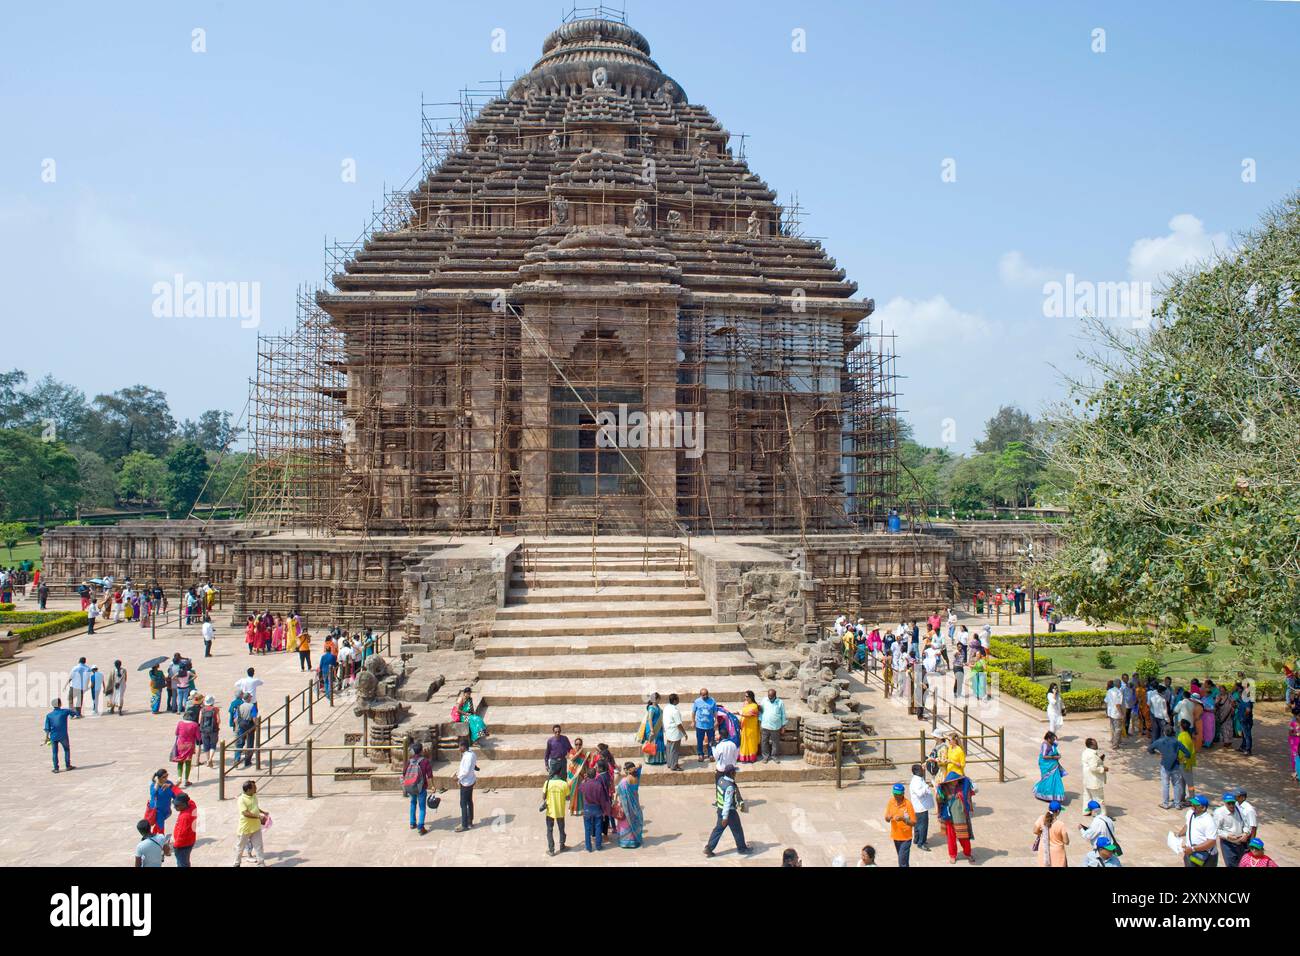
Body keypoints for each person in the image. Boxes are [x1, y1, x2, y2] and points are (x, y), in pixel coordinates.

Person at [704, 767, 749, 857]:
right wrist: (725, 817)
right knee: (737, 830)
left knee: (718, 829)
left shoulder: (721, 780)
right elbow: (727, 802)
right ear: (731, 773)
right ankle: (742, 848)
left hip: (719, 809)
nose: (736, 774)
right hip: (729, 812)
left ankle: (709, 848)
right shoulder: (729, 786)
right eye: (734, 772)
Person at [936, 771, 976, 863]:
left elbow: (968, 782)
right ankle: (952, 855)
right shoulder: (944, 789)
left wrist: (964, 778)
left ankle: (968, 853)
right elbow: (940, 801)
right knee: (951, 838)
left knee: (964, 837)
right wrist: (938, 793)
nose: (955, 782)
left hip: (960, 817)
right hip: (949, 818)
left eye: (957, 780)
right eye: (953, 780)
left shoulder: (962, 788)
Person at [1176, 795, 1218, 867]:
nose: (1192, 806)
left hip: (1207, 856)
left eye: (1195, 805)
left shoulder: (1209, 821)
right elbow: (1187, 826)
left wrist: (1193, 849)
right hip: (1191, 853)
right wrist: (1178, 834)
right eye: (1192, 804)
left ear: (1203, 808)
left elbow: (1211, 841)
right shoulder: (1190, 813)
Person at [402, 741, 433, 835]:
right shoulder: (425, 761)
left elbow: (404, 773)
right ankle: (420, 826)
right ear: (421, 751)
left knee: (413, 803)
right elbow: (430, 775)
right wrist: (433, 786)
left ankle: (412, 823)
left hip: (411, 786)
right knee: (422, 807)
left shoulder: (409, 761)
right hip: (421, 787)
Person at [1213, 792, 1250, 868]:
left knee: (1243, 863)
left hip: (1241, 843)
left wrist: (1245, 833)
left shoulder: (1239, 810)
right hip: (1228, 844)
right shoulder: (1219, 812)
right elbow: (1216, 829)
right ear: (1224, 803)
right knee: (1231, 864)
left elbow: (1247, 824)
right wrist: (1227, 836)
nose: (1231, 805)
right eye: (1229, 803)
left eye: (1233, 803)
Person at [235, 780, 267, 866]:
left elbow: (256, 807)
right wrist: (258, 817)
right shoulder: (241, 799)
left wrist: (263, 812)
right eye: (254, 787)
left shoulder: (254, 796)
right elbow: (245, 813)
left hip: (256, 827)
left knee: (259, 846)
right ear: (248, 790)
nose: (256, 788)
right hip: (245, 828)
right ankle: (237, 863)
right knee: (240, 847)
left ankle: (261, 863)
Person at [578, 767, 612, 852]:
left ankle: (588, 847)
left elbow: (580, 788)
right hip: (597, 809)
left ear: (587, 776)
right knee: (598, 827)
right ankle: (598, 846)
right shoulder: (599, 785)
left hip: (587, 809)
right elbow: (602, 800)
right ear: (595, 774)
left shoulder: (585, 784)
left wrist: (584, 780)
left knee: (587, 829)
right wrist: (604, 810)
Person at [542, 759, 571, 855]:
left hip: (550, 811)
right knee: (561, 829)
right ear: (559, 772)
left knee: (549, 830)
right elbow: (567, 797)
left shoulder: (547, 783)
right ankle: (562, 846)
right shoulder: (564, 784)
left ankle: (551, 850)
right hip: (560, 811)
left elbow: (543, 797)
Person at [884, 782, 917, 867]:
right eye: (894, 794)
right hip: (896, 836)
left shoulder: (908, 804)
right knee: (903, 860)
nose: (896, 796)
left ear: (903, 794)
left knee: (902, 861)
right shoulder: (891, 802)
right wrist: (888, 817)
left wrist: (903, 819)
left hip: (906, 838)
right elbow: (886, 818)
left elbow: (913, 822)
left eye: (898, 794)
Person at [614, 763, 644, 848]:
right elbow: (640, 766)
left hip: (626, 805)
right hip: (635, 802)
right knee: (634, 819)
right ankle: (634, 840)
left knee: (626, 821)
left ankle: (625, 842)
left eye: (624, 768)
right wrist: (637, 767)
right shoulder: (637, 777)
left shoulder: (624, 781)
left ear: (627, 770)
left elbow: (619, 791)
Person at [1034, 800, 1069, 867]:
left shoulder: (1041, 818)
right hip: (1057, 853)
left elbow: (1035, 831)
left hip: (1043, 849)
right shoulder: (1061, 824)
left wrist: (1042, 834)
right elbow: (1066, 841)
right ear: (1058, 811)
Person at [1033, 731, 1066, 804]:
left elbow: (1055, 749)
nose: (1054, 740)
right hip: (1047, 764)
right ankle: (1045, 794)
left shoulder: (1053, 744)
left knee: (1056, 779)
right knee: (1047, 779)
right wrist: (1054, 757)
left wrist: (1058, 755)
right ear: (1048, 739)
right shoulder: (1045, 744)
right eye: (1052, 739)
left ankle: (1055, 795)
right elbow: (1044, 756)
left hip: (1053, 764)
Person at [43, 698, 75, 773]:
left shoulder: (49, 715)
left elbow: (47, 728)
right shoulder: (65, 711)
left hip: (53, 736)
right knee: (66, 749)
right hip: (63, 735)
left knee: (54, 752)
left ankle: (56, 768)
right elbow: (74, 713)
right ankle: (68, 766)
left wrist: (46, 737)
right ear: (60, 704)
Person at [909, 762, 934, 851]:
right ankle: (921, 843)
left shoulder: (919, 778)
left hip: (921, 806)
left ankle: (917, 839)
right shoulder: (916, 781)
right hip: (920, 807)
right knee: (923, 825)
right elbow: (919, 793)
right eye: (921, 769)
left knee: (918, 825)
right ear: (917, 771)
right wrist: (927, 787)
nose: (923, 770)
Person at [454, 738, 477, 832]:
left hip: (466, 782)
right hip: (470, 780)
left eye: (460, 746)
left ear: (463, 747)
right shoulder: (472, 754)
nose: (459, 748)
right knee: (469, 801)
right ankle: (470, 820)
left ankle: (464, 825)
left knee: (463, 803)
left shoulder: (467, 757)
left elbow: (466, 771)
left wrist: (458, 777)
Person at [173, 709, 201, 787]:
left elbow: (176, 733)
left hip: (180, 744)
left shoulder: (180, 723)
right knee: (188, 762)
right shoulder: (194, 725)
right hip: (190, 745)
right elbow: (198, 737)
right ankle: (186, 780)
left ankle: (179, 777)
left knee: (180, 761)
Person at [758, 688, 786, 763]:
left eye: (771, 697)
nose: (769, 698)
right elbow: (761, 712)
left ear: (775, 696)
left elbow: (783, 714)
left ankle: (774, 756)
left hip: (776, 727)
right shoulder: (764, 700)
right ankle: (765, 757)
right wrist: (760, 722)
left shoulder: (780, 702)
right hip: (765, 725)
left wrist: (783, 726)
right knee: (764, 742)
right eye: (769, 696)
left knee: (775, 743)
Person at [1080, 738, 1107, 815]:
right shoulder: (1092, 755)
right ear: (1091, 745)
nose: (1097, 745)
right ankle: (1102, 815)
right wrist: (1103, 768)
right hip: (1094, 780)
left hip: (1087, 779)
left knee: (1087, 796)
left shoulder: (1085, 752)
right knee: (1099, 798)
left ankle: (1086, 811)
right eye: (1095, 744)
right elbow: (1093, 768)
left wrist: (1100, 759)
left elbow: (1090, 764)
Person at [172, 793, 198, 867]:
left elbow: (182, 834)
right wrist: (171, 786)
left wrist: (176, 845)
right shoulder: (192, 805)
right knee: (185, 862)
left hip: (182, 845)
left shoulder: (185, 817)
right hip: (190, 840)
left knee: (182, 864)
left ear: (184, 804)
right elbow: (184, 796)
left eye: (177, 805)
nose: (174, 807)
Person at [638, 694, 666, 765]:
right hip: (653, 728)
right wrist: (652, 729)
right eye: (659, 699)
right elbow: (649, 719)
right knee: (652, 743)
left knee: (659, 743)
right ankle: (651, 759)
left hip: (658, 728)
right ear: (655, 699)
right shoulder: (651, 708)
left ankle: (659, 759)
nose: (659, 700)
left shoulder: (657, 707)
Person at [693, 687, 717, 763]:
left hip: (710, 725)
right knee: (699, 741)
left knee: (711, 740)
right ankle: (700, 754)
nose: (705, 696)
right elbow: (693, 712)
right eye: (703, 695)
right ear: (700, 695)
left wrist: (716, 720)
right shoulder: (697, 701)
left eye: (706, 694)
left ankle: (711, 754)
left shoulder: (712, 701)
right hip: (700, 725)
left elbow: (715, 712)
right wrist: (693, 721)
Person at [1176, 719, 1199, 801]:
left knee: (1189, 782)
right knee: (1182, 780)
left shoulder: (1182, 735)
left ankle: (1192, 798)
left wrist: (1180, 758)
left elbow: (1183, 749)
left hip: (1184, 762)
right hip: (1186, 762)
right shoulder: (1187, 735)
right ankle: (1182, 797)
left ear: (1182, 726)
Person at [663, 694, 685, 771]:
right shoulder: (675, 711)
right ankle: (674, 765)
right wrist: (684, 733)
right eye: (678, 699)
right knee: (674, 750)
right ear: (675, 700)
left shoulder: (666, 707)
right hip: (674, 733)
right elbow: (678, 724)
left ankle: (669, 763)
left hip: (668, 731)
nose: (679, 700)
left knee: (669, 748)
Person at [737, 690, 761, 764]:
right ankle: (744, 758)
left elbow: (749, 715)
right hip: (744, 726)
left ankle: (751, 758)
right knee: (744, 741)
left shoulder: (754, 706)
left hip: (751, 727)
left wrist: (740, 713)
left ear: (751, 697)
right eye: (745, 696)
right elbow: (743, 712)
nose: (745, 698)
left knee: (751, 742)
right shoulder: (745, 704)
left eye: (746, 696)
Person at [1104, 680, 1124, 748]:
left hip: (1110, 712)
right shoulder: (1119, 692)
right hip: (1116, 713)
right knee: (1118, 729)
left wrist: (1107, 710)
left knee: (1113, 728)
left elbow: (1106, 701)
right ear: (1118, 684)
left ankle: (1114, 741)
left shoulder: (1109, 691)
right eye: (1120, 683)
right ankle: (1115, 744)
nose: (1121, 684)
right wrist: (1122, 714)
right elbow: (1118, 704)